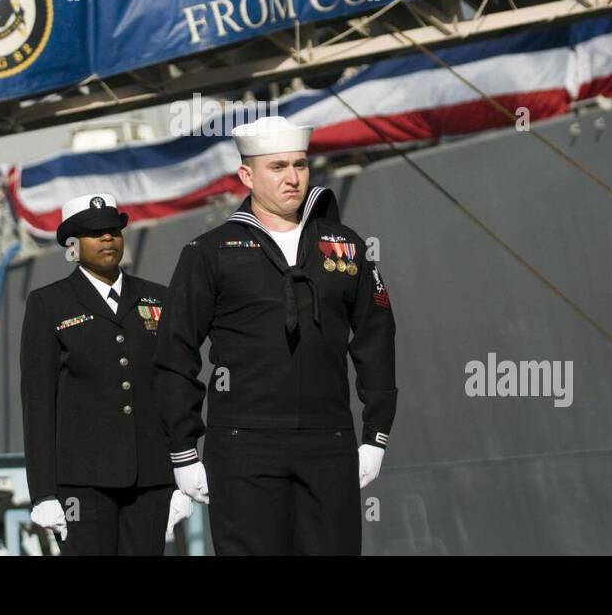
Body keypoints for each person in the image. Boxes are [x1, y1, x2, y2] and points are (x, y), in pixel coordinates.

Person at [154, 116, 398, 555]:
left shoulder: (345, 246)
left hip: (329, 443)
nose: (292, 178)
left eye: (301, 166)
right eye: (278, 167)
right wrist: (183, 448)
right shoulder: (209, 253)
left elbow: (376, 336)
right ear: (247, 174)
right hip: (243, 447)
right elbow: (175, 351)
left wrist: (375, 433)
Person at [20, 193, 191, 555]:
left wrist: (182, 471)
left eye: (113, 230)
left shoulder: (156, 299)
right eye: (94, 233)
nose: (107, 239)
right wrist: (43, 492)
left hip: (151, 478)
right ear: (72, 245)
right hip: (82, 482)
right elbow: (38, 402)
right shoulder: (48, 304)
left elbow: (172, 387)